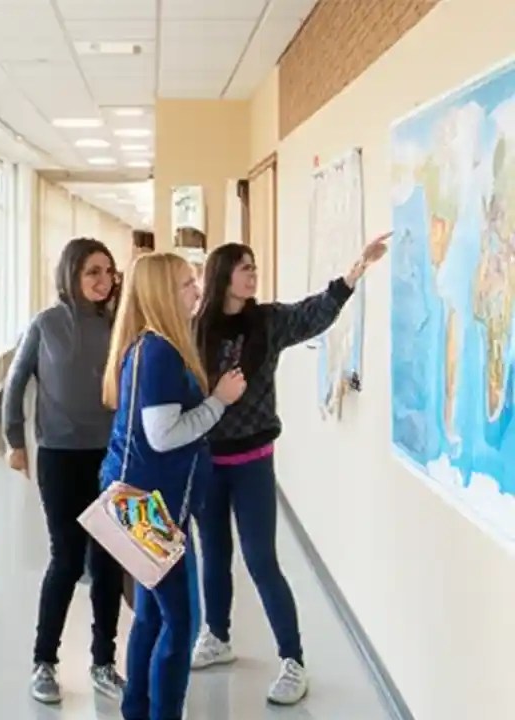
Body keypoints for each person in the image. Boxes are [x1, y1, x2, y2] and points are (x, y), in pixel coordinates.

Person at [189, 233, 389, 705]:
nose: (253, 274)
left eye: (254, 266)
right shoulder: (194, 328)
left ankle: (293, 661)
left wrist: (354, 270)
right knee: (213, 553)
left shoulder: (269, 322)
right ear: (222, 277)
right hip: (207, 461)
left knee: (261, 560)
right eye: (244, 267)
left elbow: (316, 312)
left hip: (253, 462)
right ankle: (216, 636)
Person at [98, 252, 246, 720]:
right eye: (186, 284)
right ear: (164, 293)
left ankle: (138, 710)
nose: (197, 292)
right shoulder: (158, 351)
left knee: (152, 615)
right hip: (142, 508)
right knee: (181, 622)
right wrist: (219, 401)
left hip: (142, 503)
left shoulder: (152, 348)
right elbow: (163, 436)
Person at [2, 238, 127, 704]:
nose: (102, 281)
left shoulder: (119, 325)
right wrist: (15, 440)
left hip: (111, 456)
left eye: (109, 272)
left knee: (110, 562)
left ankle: (103, 662)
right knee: (67, 561)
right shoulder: (46, 324)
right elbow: (14, 386)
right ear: (72, 274)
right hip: (59, 456)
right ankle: (44, 662)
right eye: (92, 272)